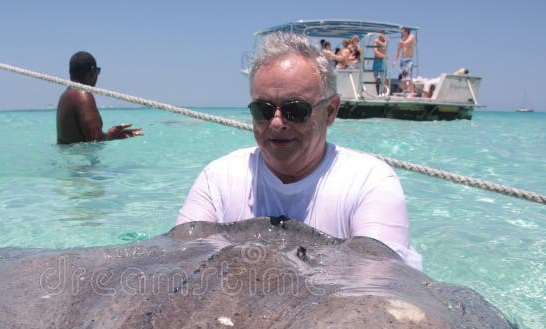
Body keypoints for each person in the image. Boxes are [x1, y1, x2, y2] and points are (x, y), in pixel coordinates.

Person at [176, 32, 421, 269]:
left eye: (295, 110)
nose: (276, 123)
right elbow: (180, 262)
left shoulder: (370, 182)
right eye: (263, 109)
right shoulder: (217, 179)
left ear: (331, 111)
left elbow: (381, 282)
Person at [56, 51, 142, 144]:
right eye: (98, 71)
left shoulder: (65, 96)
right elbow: (95, 141)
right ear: (93, 71)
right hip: (80, 158)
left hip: (71, 157)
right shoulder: (83, 95)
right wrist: (111, 135)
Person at [393, 28, 416, 97]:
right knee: (402, 78)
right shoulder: (401, 40)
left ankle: (411, 92)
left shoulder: (411, 36)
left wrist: (401, 42)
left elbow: (407, 42)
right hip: (402, 60)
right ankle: (405, 91)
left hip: (408, 60)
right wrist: (394, 61)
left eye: (402, 32)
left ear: (406, 31)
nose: (401, 33)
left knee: (408, 77)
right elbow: (398, 51)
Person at [372, 30, 388, 95]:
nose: (382, 36)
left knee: (384, 77)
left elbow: (384, 45)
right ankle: (373, 92)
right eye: (381, 34)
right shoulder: (376, 41)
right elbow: (375, 52)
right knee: (374, 76)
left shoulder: (385, 41)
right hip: (377, 60)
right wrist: (384, 56)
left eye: (383, 34)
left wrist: (378, 41)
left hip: (383, 61)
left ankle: (385, 92)